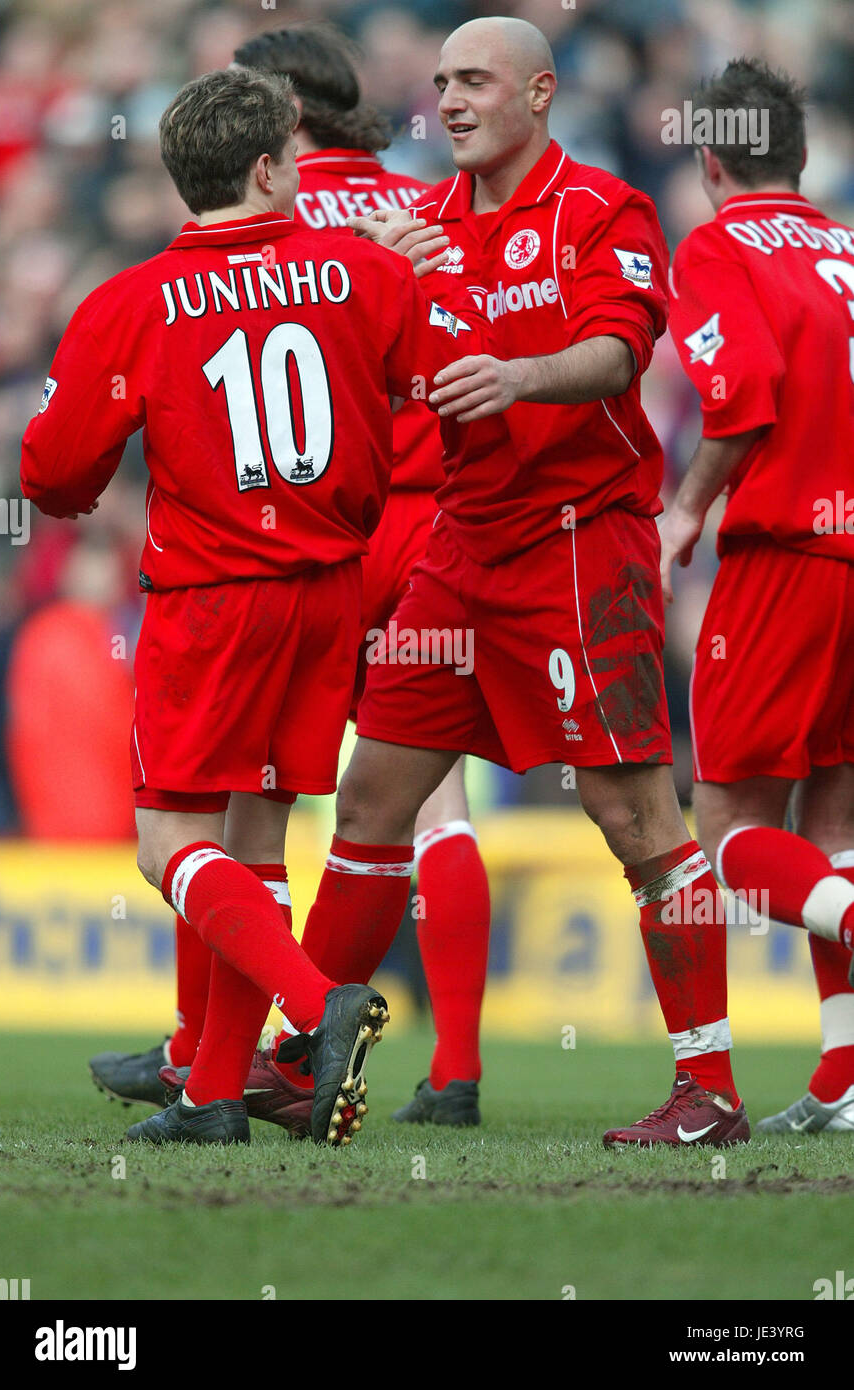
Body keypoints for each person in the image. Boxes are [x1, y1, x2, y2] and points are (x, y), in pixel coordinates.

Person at [288, 14, 751, 1148]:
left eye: (473, 82)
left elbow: (619, 349)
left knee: (630, 812)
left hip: (581, 543)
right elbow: (356, 371)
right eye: (439, 82)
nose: (447, 100)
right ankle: (306, 1062)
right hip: (461, 549)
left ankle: (710, 1090)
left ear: (538, 93)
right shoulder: (418, 226)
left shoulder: (601, 209)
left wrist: (520, 377)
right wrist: (367, 290)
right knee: (371, 800)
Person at [21, 66, 494, 1147]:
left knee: (169, 846)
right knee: (257, 840)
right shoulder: (362, 275)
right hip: (332, 589)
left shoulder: (128, 300)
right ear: (271, 167)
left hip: (209, 601)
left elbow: (50, 474)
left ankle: (312, 998)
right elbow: (451, 392)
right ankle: (214, 1094)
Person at [662, 59, 854, 1134]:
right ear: (799, 156)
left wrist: (684, 509)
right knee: (830, 820)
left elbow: (738, 397)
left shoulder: (718, 244)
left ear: (707, 161)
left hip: (784, 557)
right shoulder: (843, 245)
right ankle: (841, 1077)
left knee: (731, 831)